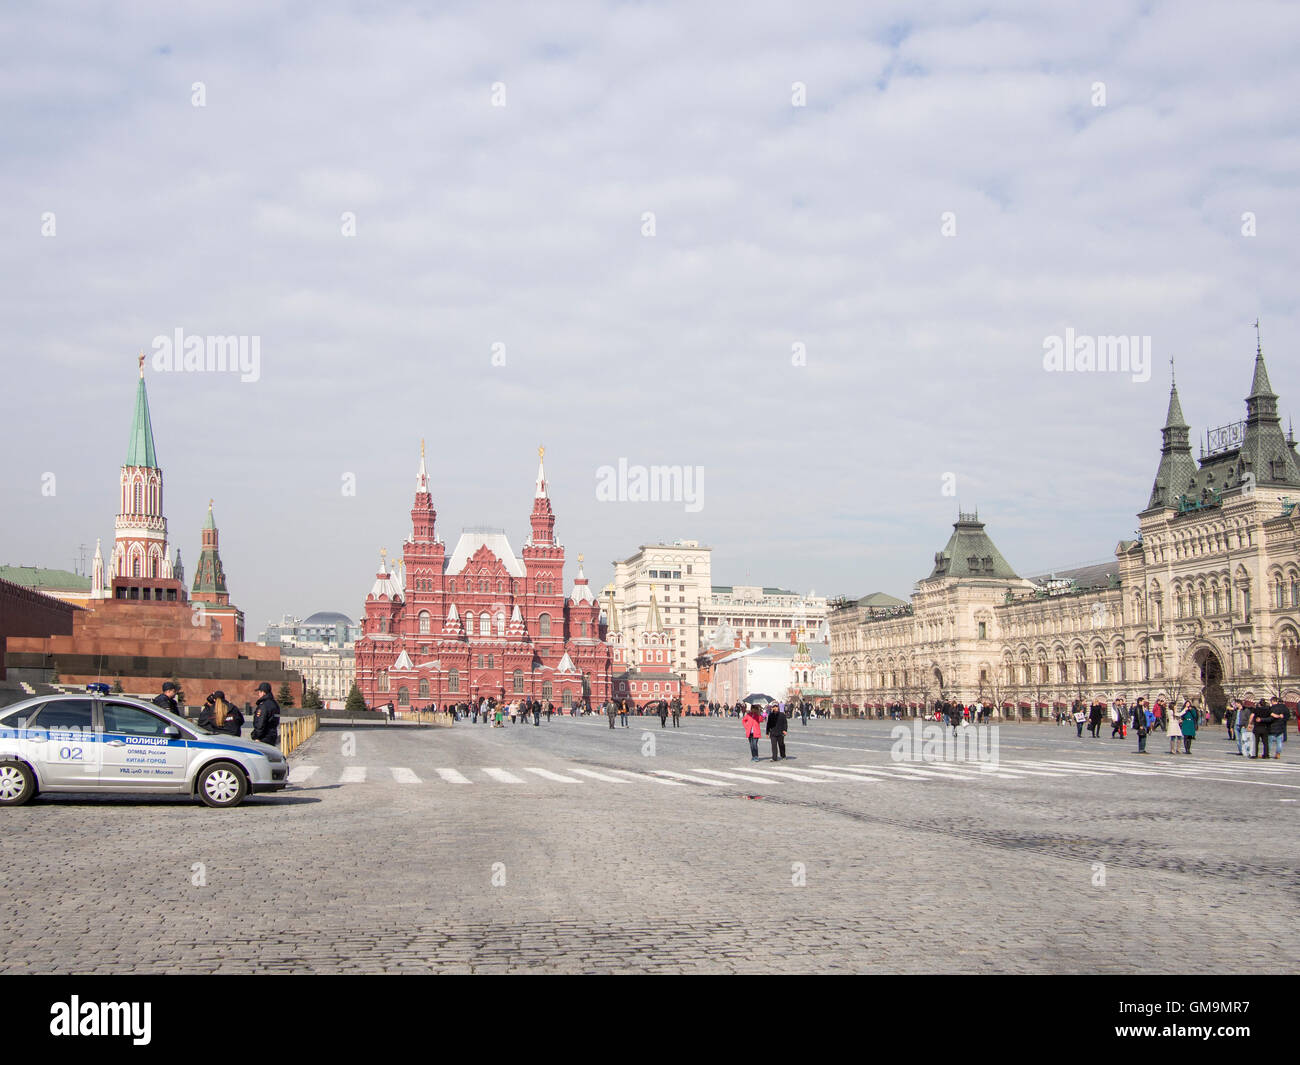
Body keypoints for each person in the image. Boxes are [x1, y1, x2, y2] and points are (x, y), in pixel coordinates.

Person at [250, 682, 280, 747]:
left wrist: (256, 736)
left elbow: (260, 723)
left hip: (263, 737)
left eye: (259, 692)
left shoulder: (264, 705)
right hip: (272, 735)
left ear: (263, 692)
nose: (258, 694)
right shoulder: (275, 704)